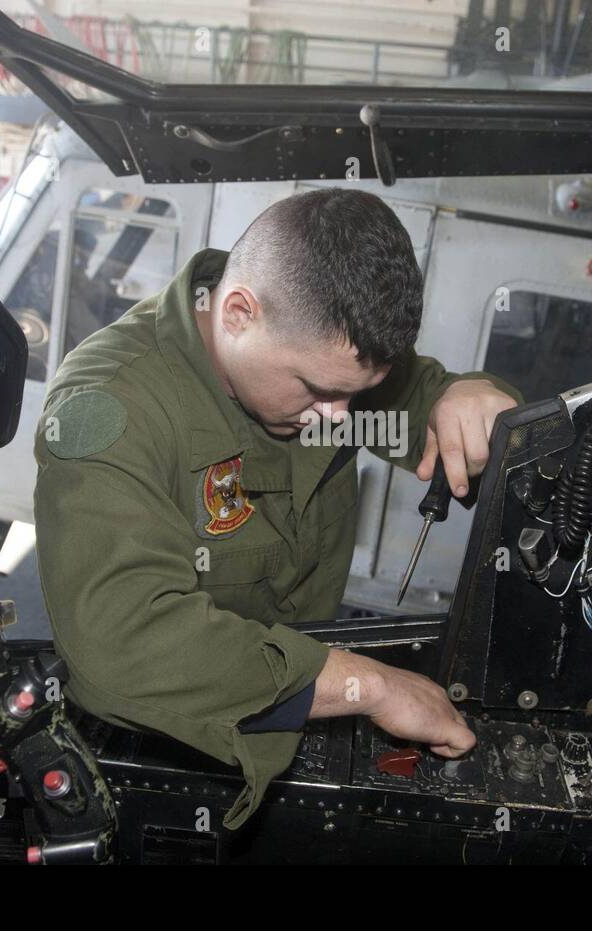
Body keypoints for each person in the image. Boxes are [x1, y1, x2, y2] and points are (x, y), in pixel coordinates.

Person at [33, 188, 519, 828]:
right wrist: (367, 687)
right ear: (237, 313)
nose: (341, 418)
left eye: (356, 395)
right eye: (318, 391)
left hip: (306, 697)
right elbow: (121, 640)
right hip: (173, 742)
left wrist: (470, 397)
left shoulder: (322, 360)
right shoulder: (107, 408)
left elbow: (432, 403)